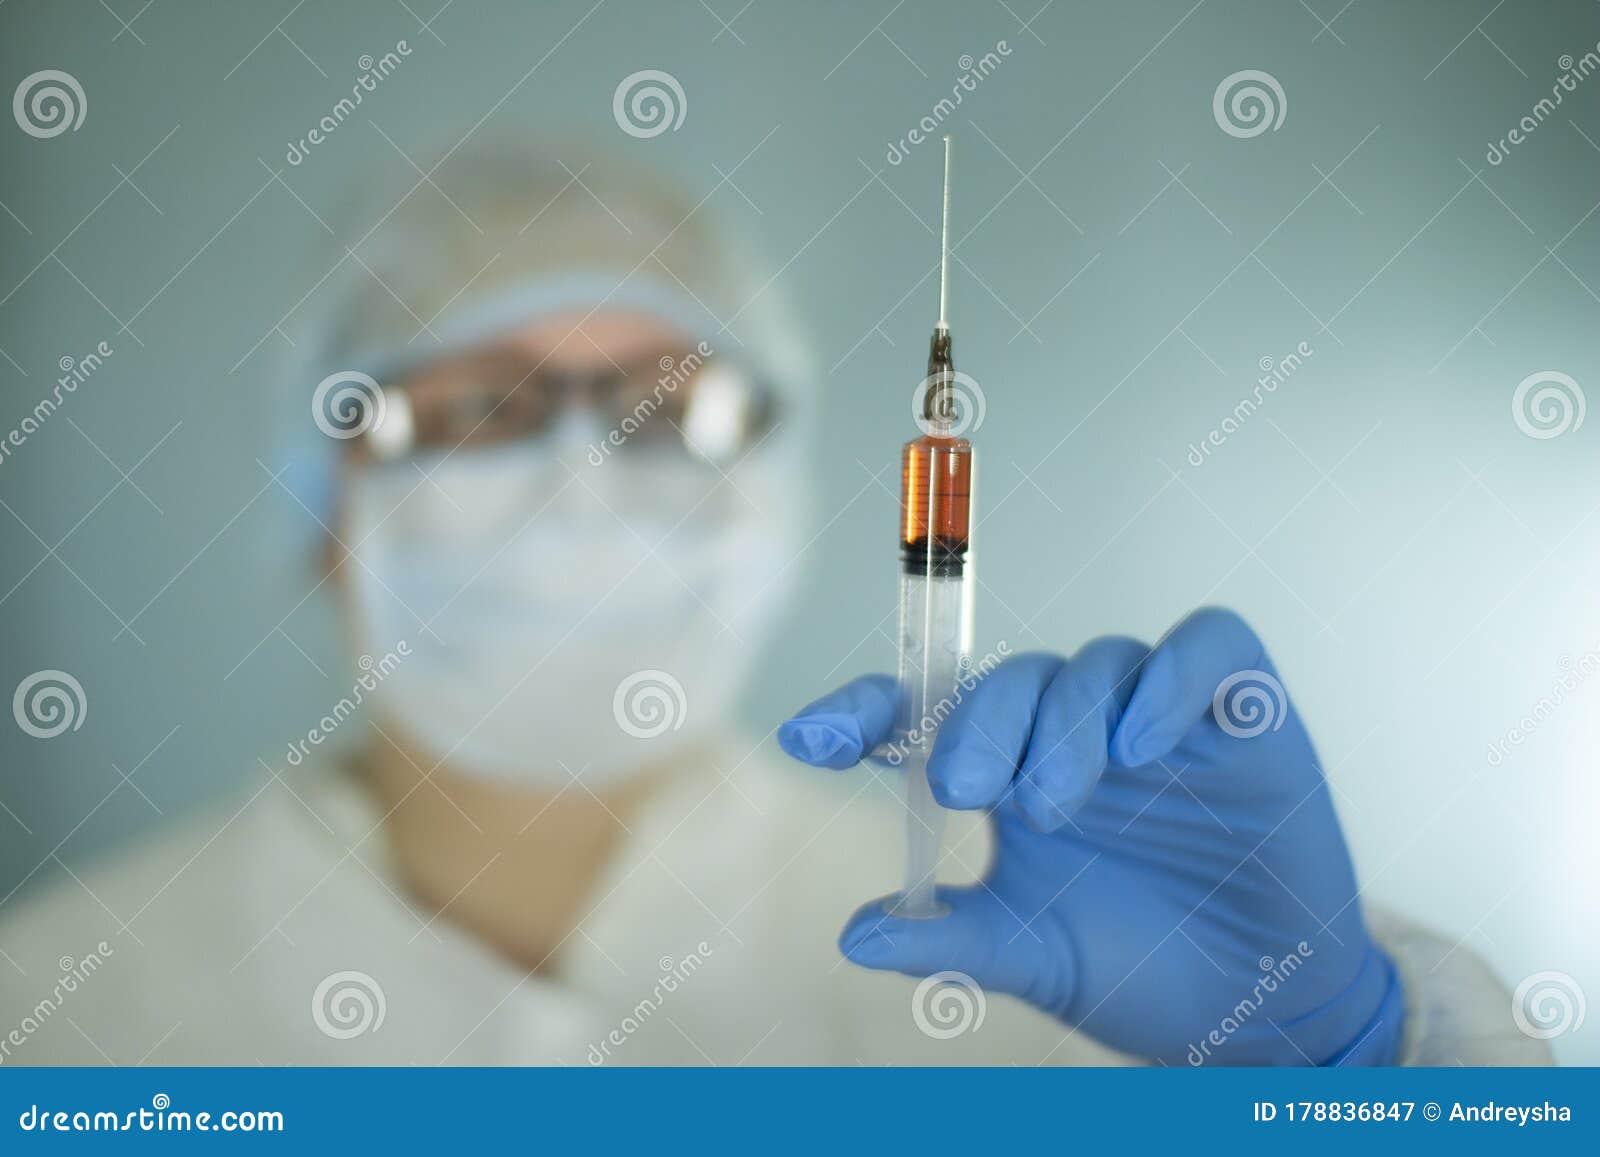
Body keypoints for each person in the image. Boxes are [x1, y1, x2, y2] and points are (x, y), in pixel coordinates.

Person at [0, 140, 1546, 1067]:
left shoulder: (1040, 956)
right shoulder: (54, 1007)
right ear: (323, 503)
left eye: (665, 407)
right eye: (484, 405)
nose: (588, 469)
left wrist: (1350, 1075)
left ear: (775, 496)